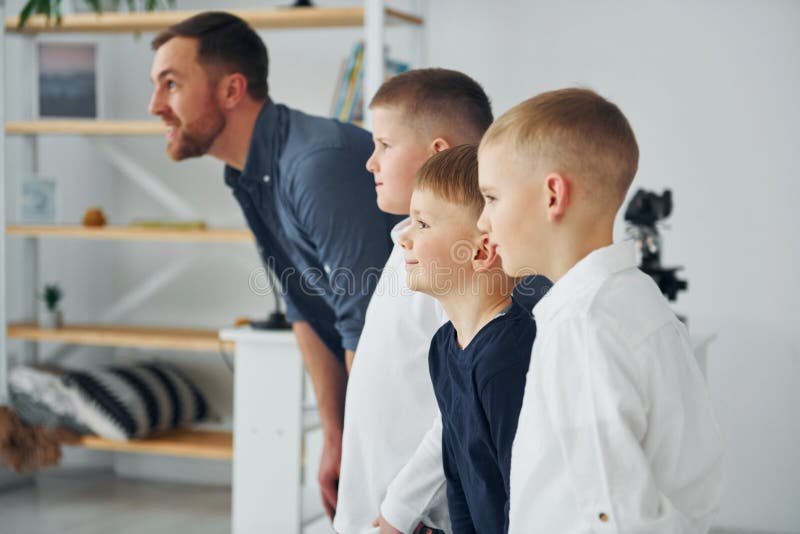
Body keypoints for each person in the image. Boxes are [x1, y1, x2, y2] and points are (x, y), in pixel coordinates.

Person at [147, 12, 401, 519]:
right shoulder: (246, 174)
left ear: (231, 89)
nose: (155, 105)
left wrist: (365, 460)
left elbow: (368, 323)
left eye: (171, 84)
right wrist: (335, 436)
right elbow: (300, 302)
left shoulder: (314, 165)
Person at [477, 87, 726, 532]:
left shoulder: (582, 325)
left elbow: (611, 512)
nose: (482, 221)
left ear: (553, 195)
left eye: (492, 198)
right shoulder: (634, 297)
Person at [334, 69, 493, 534]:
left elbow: (464, 407)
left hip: (413, 520)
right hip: (376, 509)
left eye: (384, 145)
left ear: (437, 154)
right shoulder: (408, 241)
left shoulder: (457, 259)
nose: (370, 163)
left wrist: (401, 511)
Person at [398, 145, 537, 533]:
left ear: (481, 251)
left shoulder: (508, 360)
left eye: (422, 224)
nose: (404, 238)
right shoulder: (443, 347)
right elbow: (457, 475)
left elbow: (524, 493)